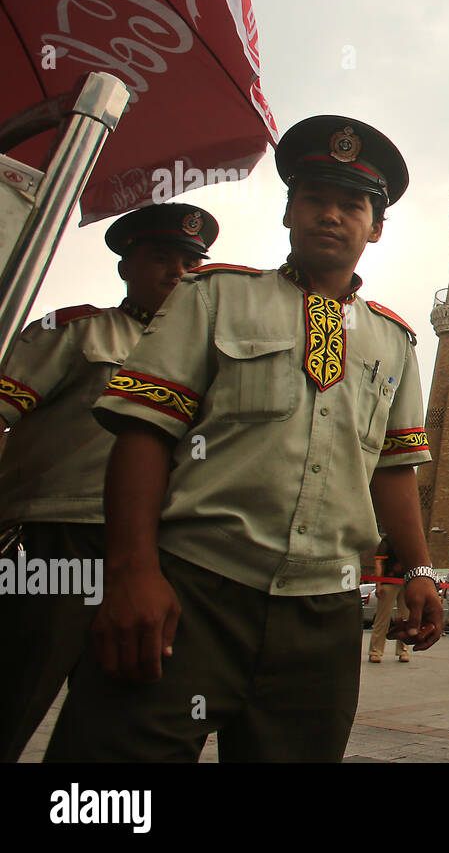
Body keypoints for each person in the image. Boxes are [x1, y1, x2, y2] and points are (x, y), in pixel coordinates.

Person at [44, 115, 442, 763]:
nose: (331, 215)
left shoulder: (391, 341)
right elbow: (143, 436)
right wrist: (132, 573)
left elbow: (393, 470)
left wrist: (420, 568)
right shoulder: (214, 298)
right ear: (288, 210)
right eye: (314, 197)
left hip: (322, 611)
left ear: (376, 226)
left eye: (351, 204)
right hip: (195, 591)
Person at [0, 203, 217, 762]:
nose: (177, 272)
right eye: (160, 258)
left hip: (152, 554)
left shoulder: (208, 361)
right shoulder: (80, 332)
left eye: (191, 262)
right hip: (58, 539)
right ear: (127, 267)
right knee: (16, 689)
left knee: (116, 722)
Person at [368, 534, 410, 663]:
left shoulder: (411, 539)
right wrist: (378, 583)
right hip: (388, 581)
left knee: (406, 618)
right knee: (382, 618)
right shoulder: (387, 540)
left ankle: (403, 651)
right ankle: (375, 651)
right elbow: (379, 561)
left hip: (407, 582)